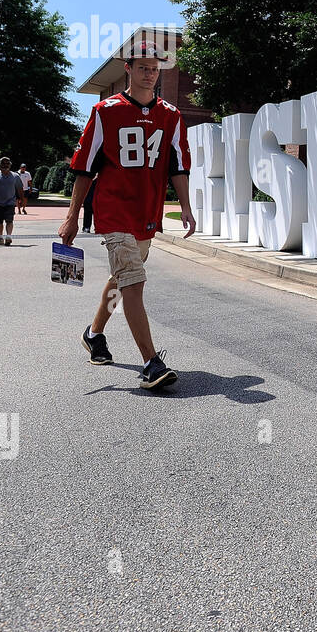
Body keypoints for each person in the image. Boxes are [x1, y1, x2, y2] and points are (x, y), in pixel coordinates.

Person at [58, 43, 196, 391]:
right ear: (129, 70)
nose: (151, 74)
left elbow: (178, 167)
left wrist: (187, 208)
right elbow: (85, 168)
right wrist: (73, 216)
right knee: (134, 280)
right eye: (144, 67)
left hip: (146, 213)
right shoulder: (105, 111)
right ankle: (151, 362)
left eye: (155, 69)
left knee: (120, 279)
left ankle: (94, 333)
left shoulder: (171, 115)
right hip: (114, 210)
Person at [0, 157, 25, 245]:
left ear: (10, 165)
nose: (5, 165)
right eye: (3, 163)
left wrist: (22, 200)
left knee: (9, 220)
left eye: (7, 163)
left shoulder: (15, 176)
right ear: (0, 165)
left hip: (10, 202)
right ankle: (0, 238)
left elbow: (20, 189)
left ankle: (8, 237)